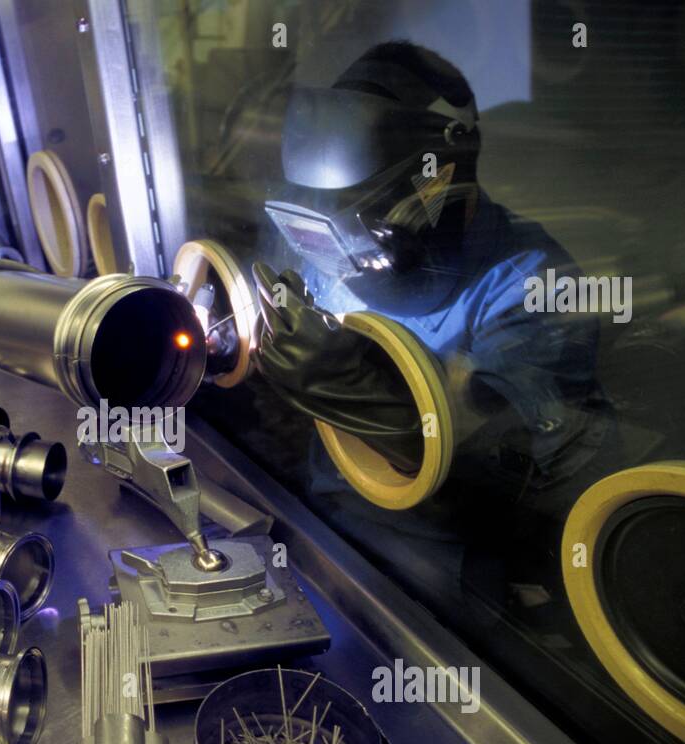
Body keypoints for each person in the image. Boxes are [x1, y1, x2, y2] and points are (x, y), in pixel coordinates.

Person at [252, 41, 610, 626]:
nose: (341, 259)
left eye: (367, 231)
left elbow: (499, 486)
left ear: (437, 179)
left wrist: (350, 385)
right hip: (326, 535)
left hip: (443, 579)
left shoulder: (532, 286)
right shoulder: (325, 233)